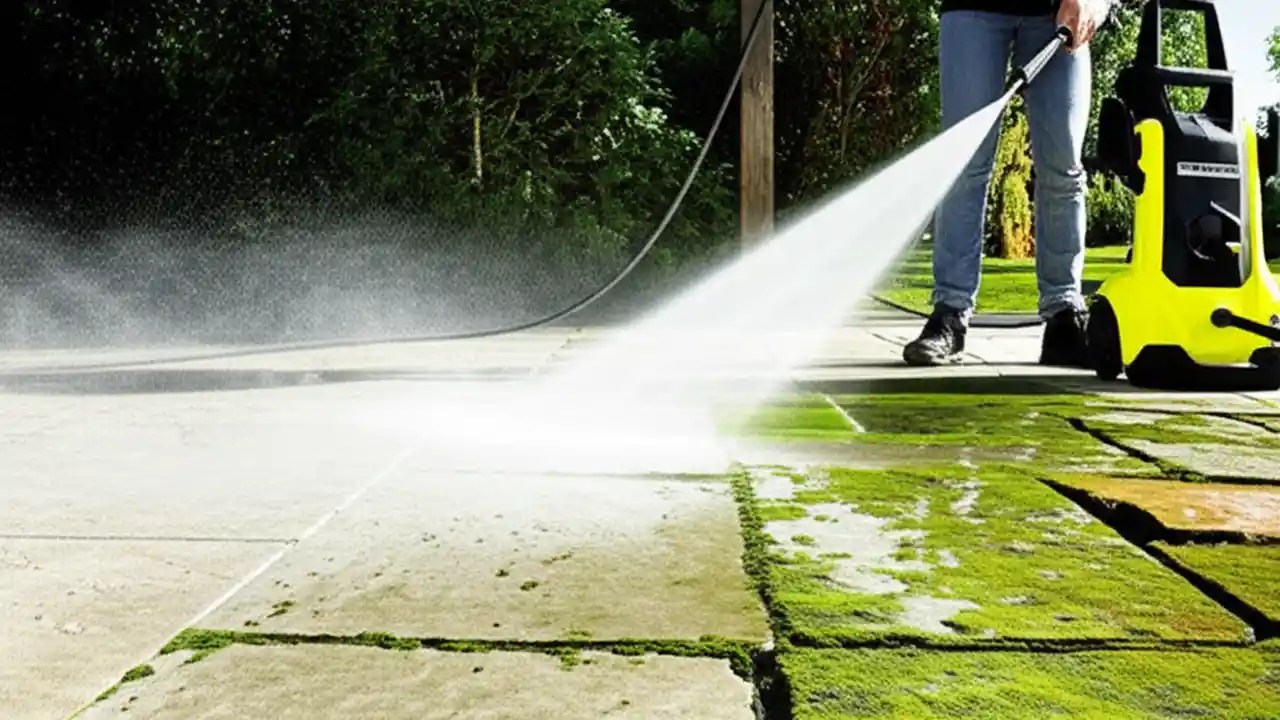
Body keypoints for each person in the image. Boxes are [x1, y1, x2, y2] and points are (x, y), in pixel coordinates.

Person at [903, 0, 1114, 367]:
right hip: (973, 11)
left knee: (1062, 168)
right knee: (965, 164)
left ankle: (1064, 315)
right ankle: (950, 314)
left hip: (1057, 12)